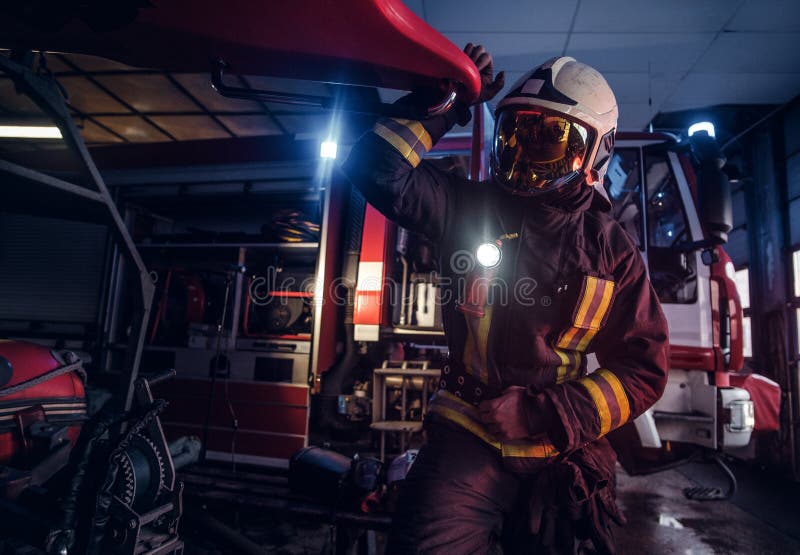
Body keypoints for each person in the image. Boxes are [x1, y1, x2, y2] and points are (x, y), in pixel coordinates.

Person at [342, 44, 669, 554]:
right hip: (464, 438)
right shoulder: (467, 207)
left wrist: (546, 414)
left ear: (593, 155)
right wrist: (450, 100)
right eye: (516, 135)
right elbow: (376, 168)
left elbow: (644, 371)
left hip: (560, 450)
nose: (523, 155)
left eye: (546, 141)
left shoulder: (612, 252)